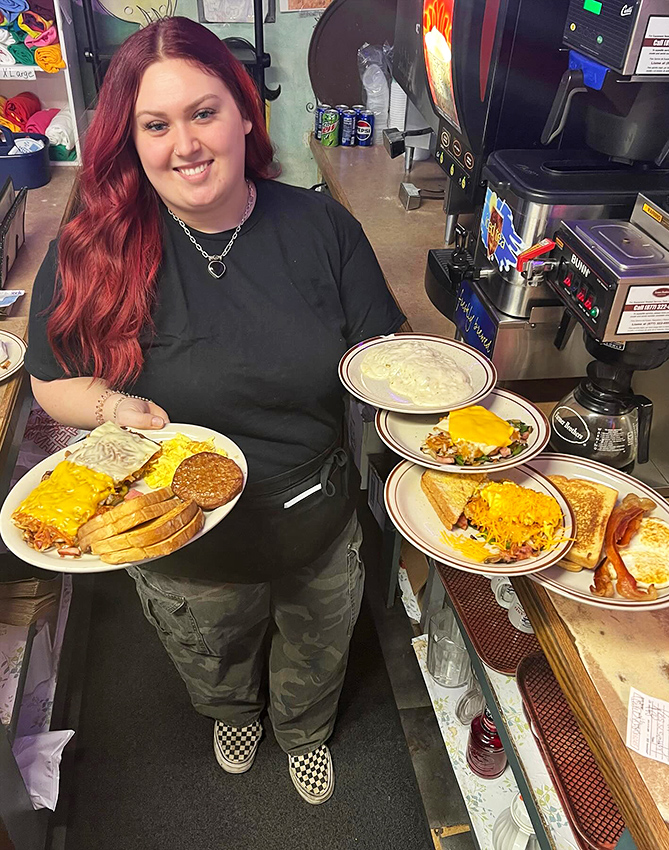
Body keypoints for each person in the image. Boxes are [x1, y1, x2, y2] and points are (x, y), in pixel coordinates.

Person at [26, 17, 405, 805]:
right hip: (178, 536)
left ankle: (303, 727)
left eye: (204, 113)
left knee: (317, 647)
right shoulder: (95, 247)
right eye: (156, 125)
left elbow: (384, 363)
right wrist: (110, 404)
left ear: (242, 113)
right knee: (214, 652)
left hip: (316, 519)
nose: (185, 145)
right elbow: (51, 381)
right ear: (129, 140)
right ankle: (233, 711)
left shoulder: (321, 227)